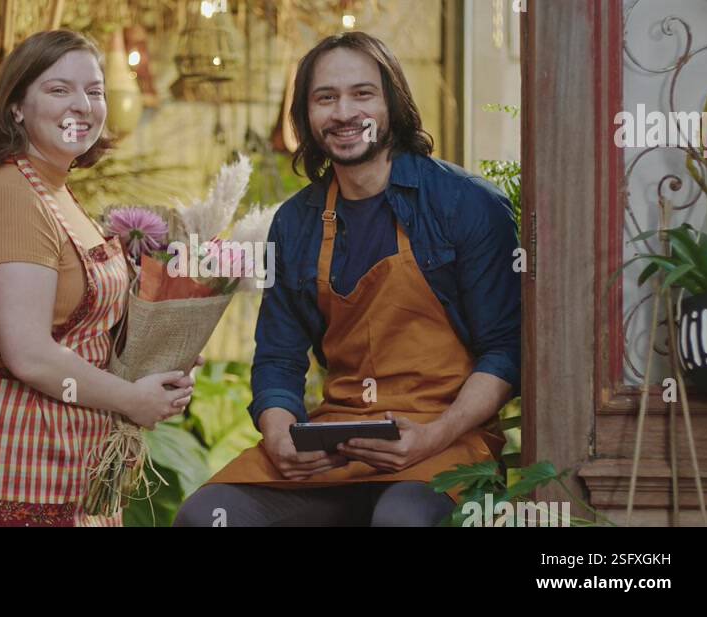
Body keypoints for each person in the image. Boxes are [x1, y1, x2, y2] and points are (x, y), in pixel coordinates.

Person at [175, 31, 521, 527]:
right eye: (325, 98)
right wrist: (280, 434)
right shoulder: (296, 221)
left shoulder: (467, 204)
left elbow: (505, 352)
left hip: (447, 442)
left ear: (392, 104)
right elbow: (278, 356)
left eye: (363, 93)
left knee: (400, 521)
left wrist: (433, 435)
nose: (343, 112)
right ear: (307, 117)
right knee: (209, 516)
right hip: (338, 441)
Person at [0, 30, 195, 527]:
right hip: (13, 447)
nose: (83, 106)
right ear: (16, 108)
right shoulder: (14, 198)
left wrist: (164, 350)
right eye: (59, 90)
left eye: (94, 91)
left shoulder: (62, 196)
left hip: (73, 452)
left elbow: (88, 333)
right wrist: (133, 399)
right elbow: (29, 353)